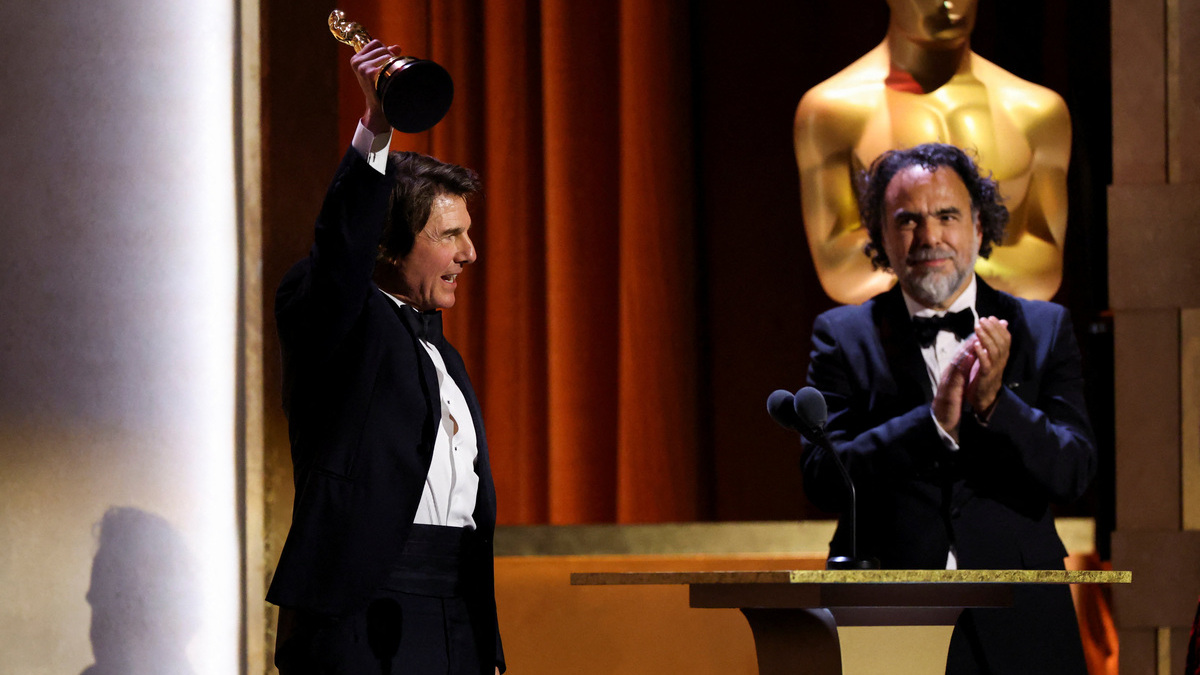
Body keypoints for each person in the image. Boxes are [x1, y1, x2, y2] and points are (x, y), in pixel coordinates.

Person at [801, 143, 1095, 674]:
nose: (929, 236)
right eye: (907, 220)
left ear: (978, 227)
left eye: (946, 216)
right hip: (889, 617)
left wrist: (995, 406)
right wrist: (931, 423)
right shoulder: (841, 337)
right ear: (882, 237)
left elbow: (1074, 470)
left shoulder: (1044, 328)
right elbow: (823, 478)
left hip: (1023, 617)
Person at [266, 40, 504, 675]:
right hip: (362, 614)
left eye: (468, 233)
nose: (469, 253)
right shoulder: (334, 319)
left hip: (456, 612)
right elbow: (342, 250)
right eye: (450, 235)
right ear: (393, 246)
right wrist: (376, 128)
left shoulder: (442, 354)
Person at [794, 0, 1071, 304]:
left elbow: (1044, 265)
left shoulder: (1038, 113)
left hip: (1006, 333)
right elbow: (841, 268)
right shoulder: (832, 111)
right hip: (891, 340)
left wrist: (933, 269)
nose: (947, 3)